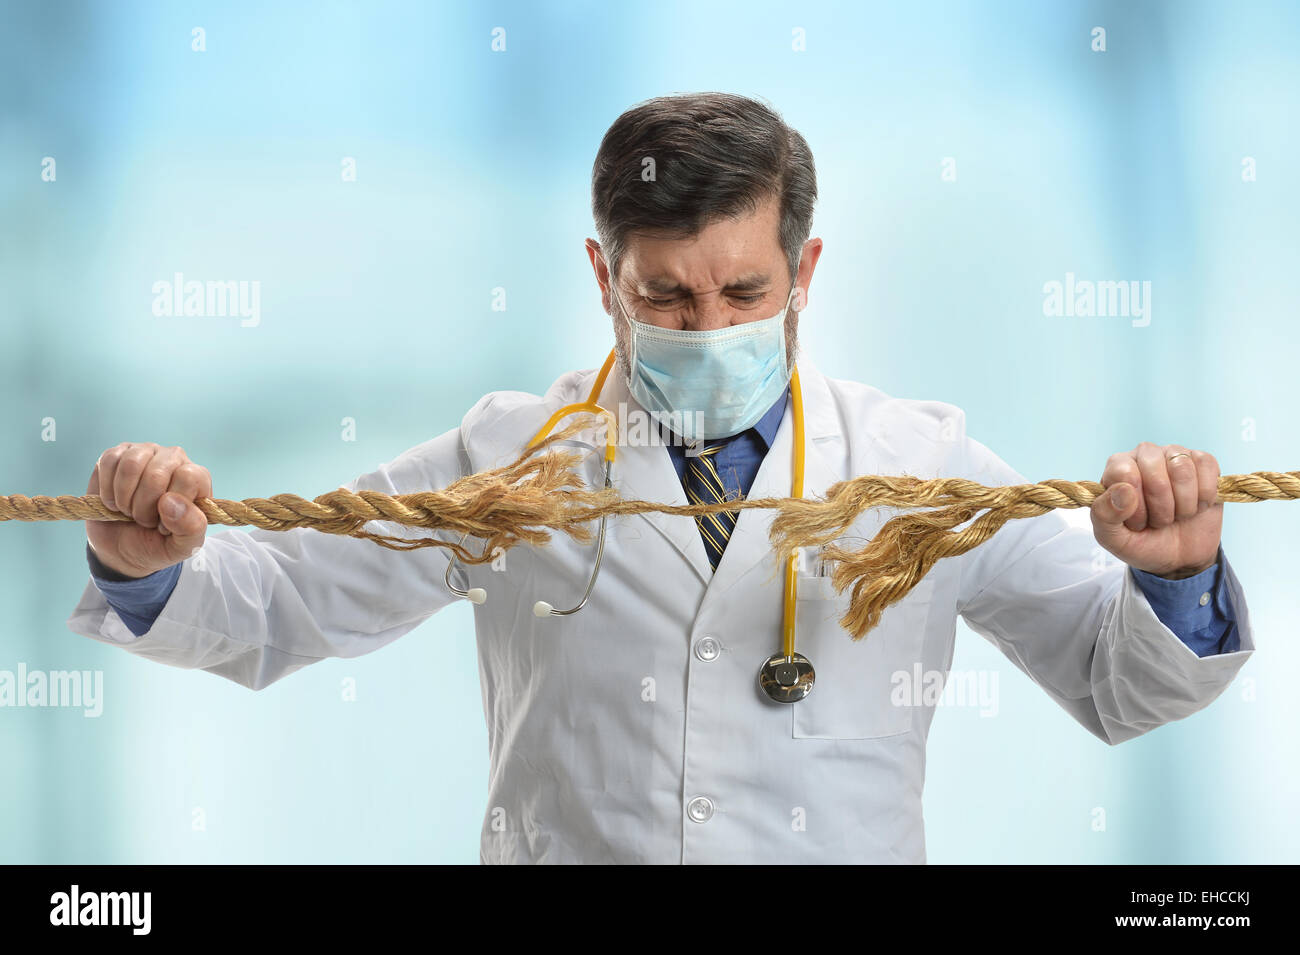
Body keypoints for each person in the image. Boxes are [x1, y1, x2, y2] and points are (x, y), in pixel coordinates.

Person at [67, 92, 1252, 864]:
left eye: (744, 292)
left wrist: (1176, 576)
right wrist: (141, 564)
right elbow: (280, 599)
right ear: (602, 276)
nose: (710, 325)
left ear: (805, 270)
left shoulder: (916, 467)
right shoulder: (508, 458)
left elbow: (1118, 684)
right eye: (666, 296)